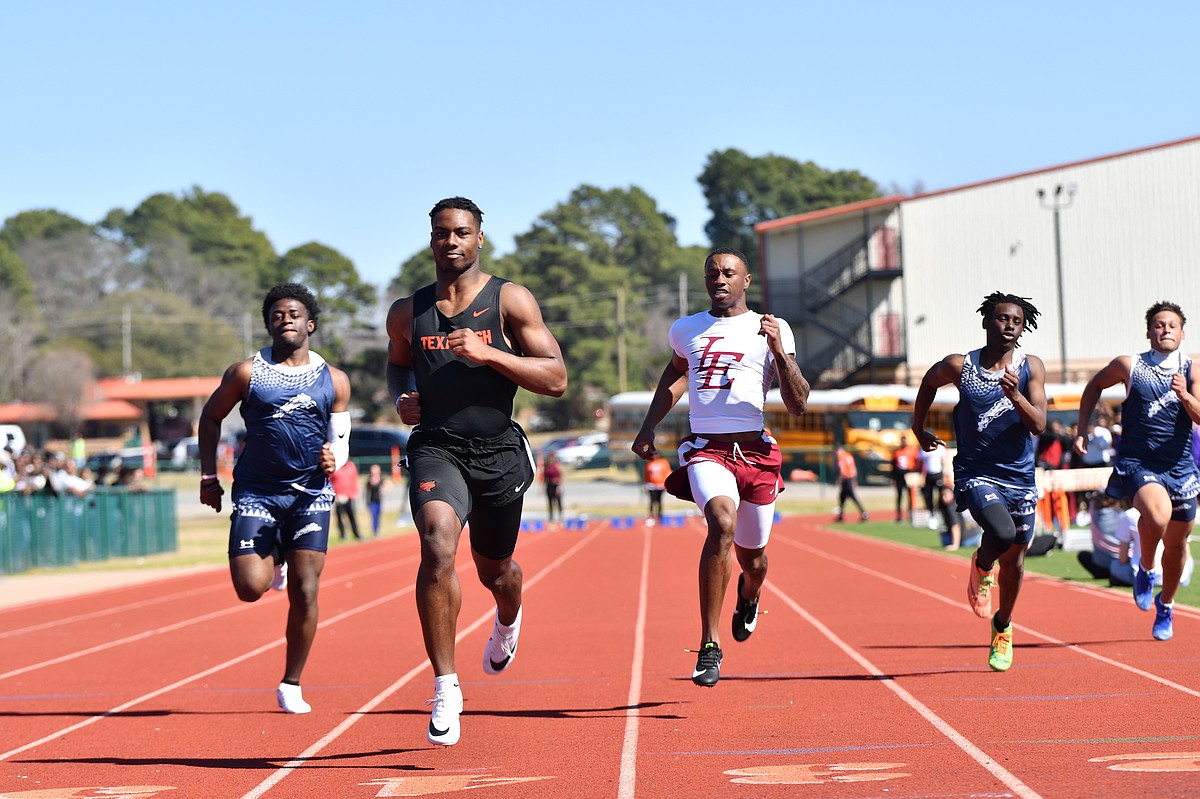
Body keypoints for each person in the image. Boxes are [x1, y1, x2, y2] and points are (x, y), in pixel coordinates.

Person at [385, 197, 567, 746]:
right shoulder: (406, 312)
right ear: (431, 239)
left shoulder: (509, 299)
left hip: (498, 452)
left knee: (496, 570)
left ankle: (508, 614)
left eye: (462, 233)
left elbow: (555, 377)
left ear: (479, 238)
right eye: (442, 234)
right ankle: (445, 684)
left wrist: (491, 355)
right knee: (437, 544)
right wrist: (402, 399)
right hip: (436, 445)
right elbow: (396, 366)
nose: (452, 242)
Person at [632, 247, 810, 688]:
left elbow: (799, 402)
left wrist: (778, 352)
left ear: (746, 280)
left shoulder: (773, 327)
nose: (720, 279)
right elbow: (675, 376)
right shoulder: (685, 329)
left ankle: (749, 594)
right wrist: (648, 425)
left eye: (729, 272)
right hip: (707, 450)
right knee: (721, 523)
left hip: (757, 453)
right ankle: (709, 644)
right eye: (713, 273)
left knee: (755, 560)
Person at [198, 282, 351, 714]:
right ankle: (275, 556)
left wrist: (332, 457)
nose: (286, 320)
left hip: (310, 496)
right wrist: (209, 476)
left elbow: (340, 443)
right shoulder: (246, 373)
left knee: (305, 589)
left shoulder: (334, 380)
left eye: (295, 314)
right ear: (268, 325)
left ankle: (292, 681)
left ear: (311, 324)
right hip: (258, 493)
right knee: (250, 589)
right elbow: (210, 418)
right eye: (277, 316)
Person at [911, 291, 1047, 672]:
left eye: (1016, 321)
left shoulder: (1030, 367)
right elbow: (927, 382)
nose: (1009, 326)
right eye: (1002, 318)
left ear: (1023, 328)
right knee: (1001, 535)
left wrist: (1016, 395)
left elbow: (1038, 425)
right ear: (987, 321)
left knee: (1017, 563)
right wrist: (917, 426)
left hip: (1019, 476)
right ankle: (982, 563)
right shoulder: (961, 366)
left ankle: (1002, 625)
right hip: (976, 471)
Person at [1073, 301, 1200, 641]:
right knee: (1158, 516)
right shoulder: (1130, 365)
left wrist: (1185, 395)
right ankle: (1144, 568)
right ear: (1149, 332)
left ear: (1183, 333)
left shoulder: (1191, 369)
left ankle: (1167, 603)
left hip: (1180, 467)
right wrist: (1082, 428)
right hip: (1138, 463)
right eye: (1159, 325)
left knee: (1177, 546)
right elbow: (1093, 387)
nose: (1166, 330)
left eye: (1172, 325)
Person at [329, 459, 363, 541]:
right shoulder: (335, 467)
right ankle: (342, 535)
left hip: (350, 496)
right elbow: (330, 481)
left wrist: (356, 492)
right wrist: (335, 494)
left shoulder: (351, 466)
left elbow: (354, 479)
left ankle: (356, 534)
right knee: (340, 517)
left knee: (352, 516)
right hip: (339, 497)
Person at [833, 445, 868, 522]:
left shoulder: (841, 457)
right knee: (842, 497)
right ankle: (841, 516)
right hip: (850, 478)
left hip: (846, 479)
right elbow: (854, 469)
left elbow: (842, 470)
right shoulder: (849, 455)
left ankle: (864, 513)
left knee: (852, 497)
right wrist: (854, 479)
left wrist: (839, 480)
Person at [891, 435, 920, 523]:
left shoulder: (912, 451)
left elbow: (917, 462)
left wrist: (914, 472)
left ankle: (911, 514)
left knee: (911, 495)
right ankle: (899, 515)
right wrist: (893, 478)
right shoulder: (896, 452)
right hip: (899, 475)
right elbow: (893, 466)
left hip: (909, 474)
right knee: (899, 495)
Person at [643, 452, 671, 525]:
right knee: (652, 501)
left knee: (659, 501)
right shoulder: (649, 463)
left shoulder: (663, 462)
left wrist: (667, 484)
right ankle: (651, 516)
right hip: (651, 485)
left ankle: (660, 516)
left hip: (660, 485)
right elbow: (646, 475)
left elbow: (667, 473)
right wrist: (645, 484)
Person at [364, 463, 388, 537]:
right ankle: (374, 530)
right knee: (373, 515)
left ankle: (377, 529)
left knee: (378, 515)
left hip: (379, 500)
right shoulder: (369, 480)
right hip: (372, 501)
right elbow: (367, 492)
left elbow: (388, 485)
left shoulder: (381, 479)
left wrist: (384, 490)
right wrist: (366, 501)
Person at [543, 451, 564, 523]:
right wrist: (543, 487)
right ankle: (551, 517)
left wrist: (560, 486)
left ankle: (561, 516)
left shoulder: (557, 465)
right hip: (549, 485)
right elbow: (545, 477)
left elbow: (561, 475)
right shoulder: (547, 466)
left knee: (558, 501)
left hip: (556, 485)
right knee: (550, 502)